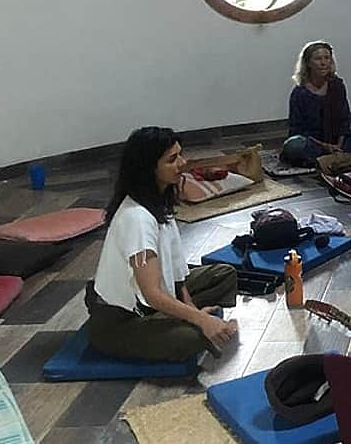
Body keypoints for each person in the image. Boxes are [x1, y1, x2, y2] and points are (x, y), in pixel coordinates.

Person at [86, 127, 239, 361]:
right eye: (172, 159)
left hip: (150, 300)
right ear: (149, 168)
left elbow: (178, 276)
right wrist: (201, 321)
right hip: (120, 320)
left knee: (224, 274)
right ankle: (175, 323)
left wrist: (195, 313)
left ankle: (179, 318)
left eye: (180, 155)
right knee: (192, 337)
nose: (182, 163)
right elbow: (153, 294)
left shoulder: (159, 202)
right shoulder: (136, 218)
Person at [281, 41, 351, 166]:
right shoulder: (300, 92)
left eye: (327, 58)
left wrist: (338, 144)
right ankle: (339, 158)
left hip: (337, 141)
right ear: (308, 63)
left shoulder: (337, 85)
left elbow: (344, 120)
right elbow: (297, 129)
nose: (323, 63)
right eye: (318, 59)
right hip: (313, 142)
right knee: (293, 146)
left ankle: (328, 159)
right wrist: (325, 146)